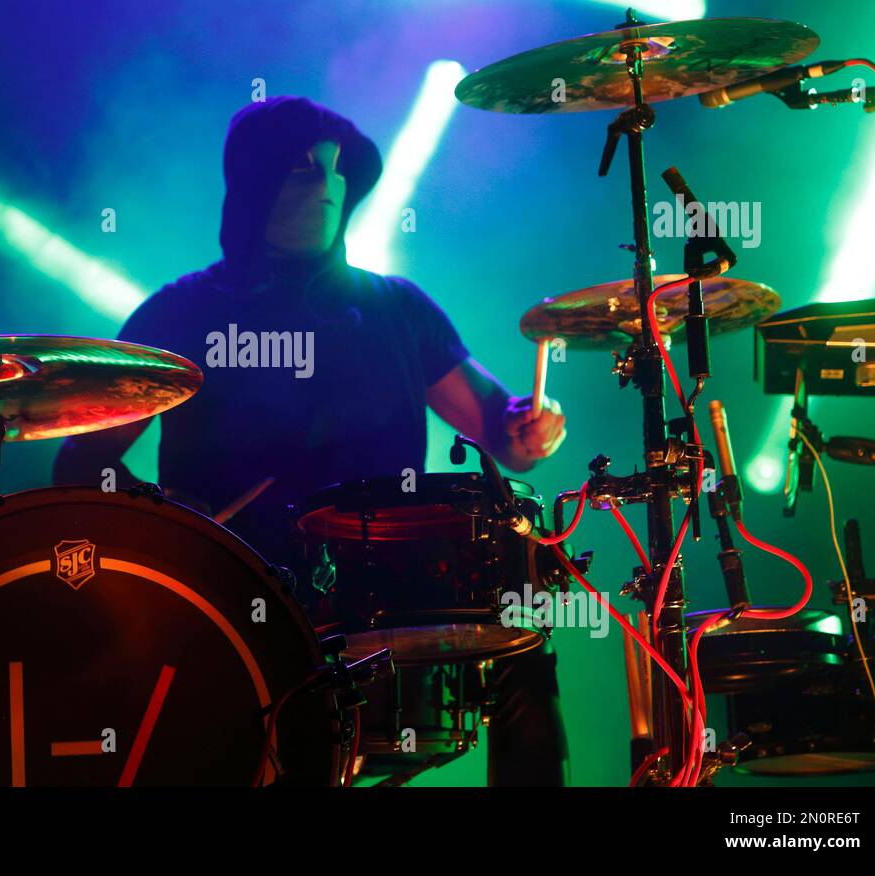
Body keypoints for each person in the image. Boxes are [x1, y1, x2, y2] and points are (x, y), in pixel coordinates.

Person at [53, 96, 569, 785]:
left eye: (334, 171)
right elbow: (81, 462)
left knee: (522, 633)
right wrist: (168, 520)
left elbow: (502, 432)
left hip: (390, 588)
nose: (328, 185)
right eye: (302, 170)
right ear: (253, 184)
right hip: (233, 594)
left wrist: (529, 423)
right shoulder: (181, 313)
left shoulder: (396, 305)